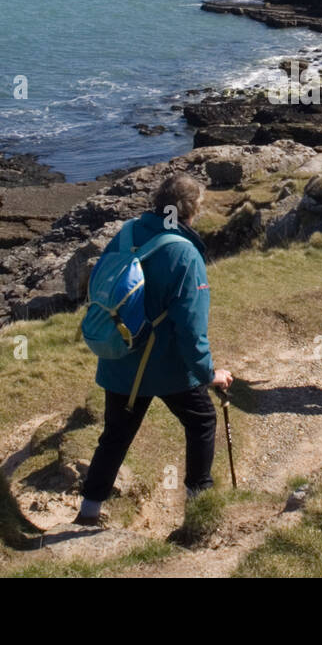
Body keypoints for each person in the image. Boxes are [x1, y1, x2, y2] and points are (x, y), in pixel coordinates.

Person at [75, 173, 233, 526]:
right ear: (192, 210)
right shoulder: (184, 253)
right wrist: (209, 374)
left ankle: (88, 511)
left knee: (115, 436)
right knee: (203, 421)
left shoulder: (128, 232)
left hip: (118, 358)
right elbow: (192, 331)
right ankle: (198, 507)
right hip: (165, 367)